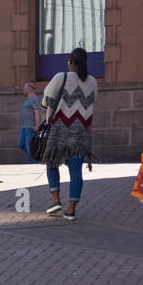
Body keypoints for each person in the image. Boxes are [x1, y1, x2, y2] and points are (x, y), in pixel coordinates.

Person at [39, 47, 99, 221]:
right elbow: (93, 102)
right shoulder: (93, 82)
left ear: (71, 62)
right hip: (82, 132)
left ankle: (56, 200)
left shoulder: (61, 77)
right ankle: (71, 210)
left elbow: (46, 100)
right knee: (76, 170)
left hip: (60, 129)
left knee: (51, 163)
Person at [18, 83, 42, 161]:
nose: (23, 91)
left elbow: (37, 112)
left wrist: (37, 125)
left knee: (29, 146)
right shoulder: (28, 99)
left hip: (30, 127)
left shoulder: (33, 98)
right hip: (25, 126)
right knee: (21, 144)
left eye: (24, 89)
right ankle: (34, 158)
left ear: (29, 89)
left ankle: (33, 163)